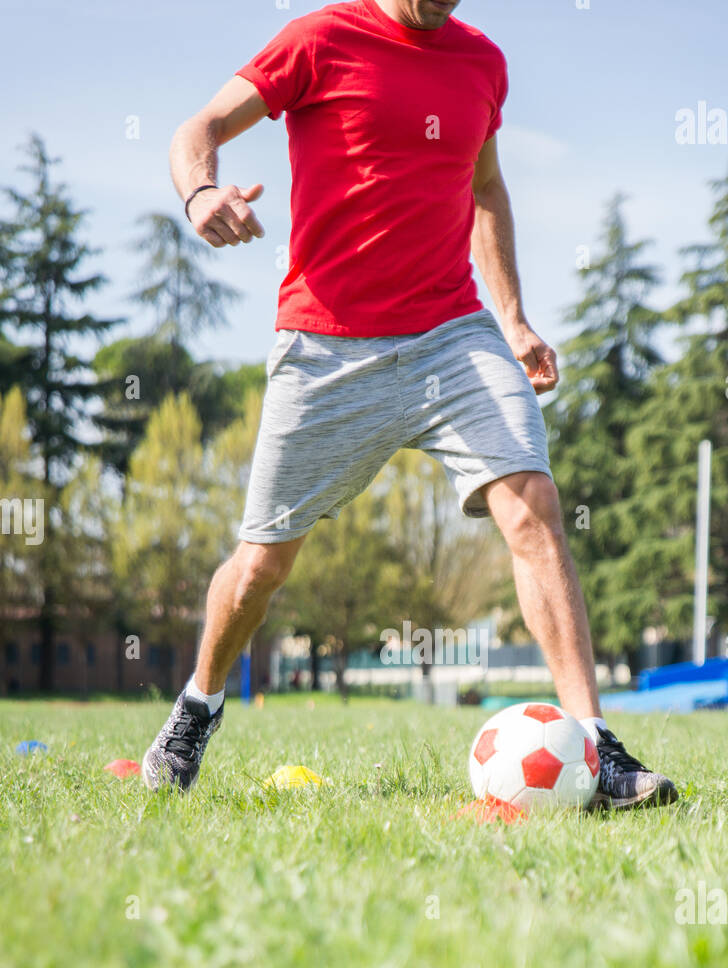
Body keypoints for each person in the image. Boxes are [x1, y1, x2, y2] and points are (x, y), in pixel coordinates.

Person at [143, 0, 678, 809]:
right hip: (326, 344)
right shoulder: (319, 40)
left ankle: (598, 750)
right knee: (261, 565)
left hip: (451, 334)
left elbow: (486, 186)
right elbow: (199, 127)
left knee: (533, 502)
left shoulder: (482, 63)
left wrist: (513, 318)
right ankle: (197, 706)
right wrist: (200, 194)